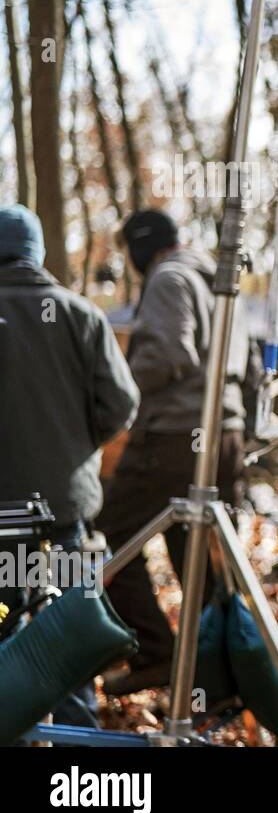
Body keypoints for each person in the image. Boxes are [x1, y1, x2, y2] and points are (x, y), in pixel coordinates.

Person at [98, 209, 249, 696]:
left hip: (176, 434)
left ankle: (154, 653)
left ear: (142, 246)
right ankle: (212, 681)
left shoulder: (168, 279)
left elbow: (168, 354)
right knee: (198, 555)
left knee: (111, 535)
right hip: (224, 433)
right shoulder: (218, 282)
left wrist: (114, 389)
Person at [0, 204, 139, 726]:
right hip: (62, 511)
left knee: (2, 623)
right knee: (68, 633)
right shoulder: (79, 314)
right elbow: (121, 403)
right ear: (37, 253)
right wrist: (74, 443)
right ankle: (80, 742)